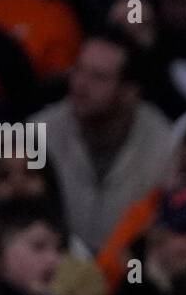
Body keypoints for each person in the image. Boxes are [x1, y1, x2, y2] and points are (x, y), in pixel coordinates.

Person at [29, 30, 173, 251]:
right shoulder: (39, 133)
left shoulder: (163, 146)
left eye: (98, 77)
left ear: (129, 92)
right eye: (79, 70)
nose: (80, 85)